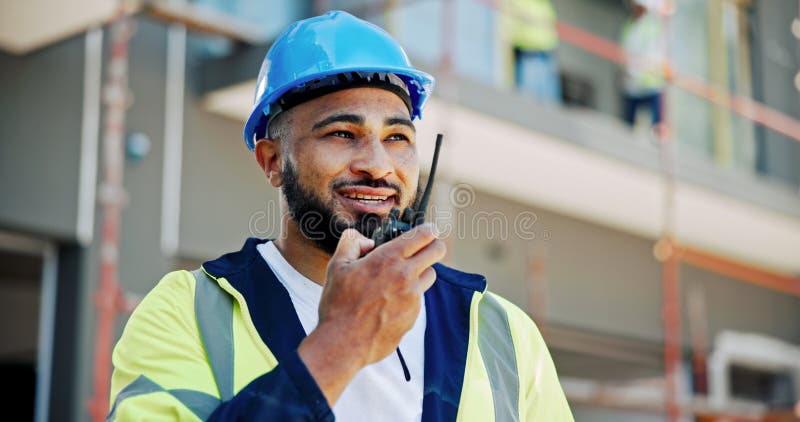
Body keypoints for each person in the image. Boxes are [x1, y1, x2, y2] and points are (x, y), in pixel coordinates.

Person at [108, 10, 573, 421]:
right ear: (272, 161)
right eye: (342, 134)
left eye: (397, 138)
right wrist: (341, 341)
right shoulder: (187, 313)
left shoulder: (502, 331)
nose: (378, 165)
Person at [620, 0, 667, 128]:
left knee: (656, 127)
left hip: (651, 84)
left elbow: (654, 55)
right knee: (628, 125)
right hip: (632, 84)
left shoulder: (652, 26)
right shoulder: (629, 25)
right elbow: (625, 52)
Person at [505, 0, 562, 105]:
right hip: (529, 53)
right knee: (526, 100)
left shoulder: (544, 5)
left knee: (549, 103)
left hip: (546, 53)